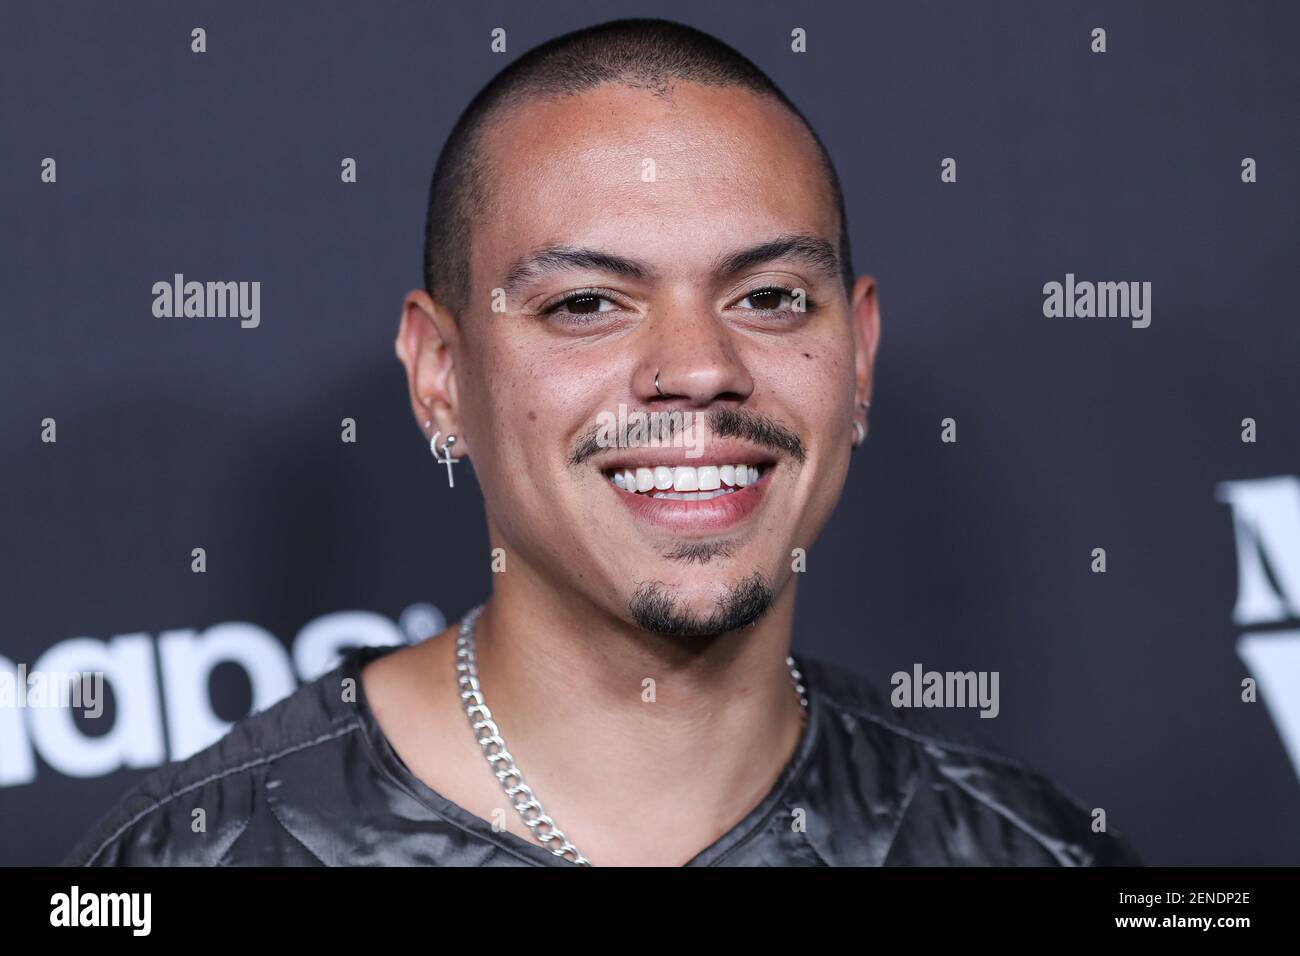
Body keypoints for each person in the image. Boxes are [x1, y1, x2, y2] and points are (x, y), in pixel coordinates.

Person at [64, 17, 1139, 867]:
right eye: (586, 304)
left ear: (856, 355)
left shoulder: (1022, 842)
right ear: (441, 376)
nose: (698, 365)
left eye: (768, 295)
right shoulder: (194, 855)